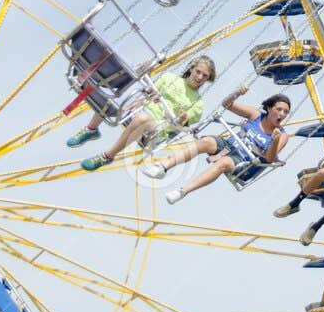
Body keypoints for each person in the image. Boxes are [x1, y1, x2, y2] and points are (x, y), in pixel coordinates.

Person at [146, 85, 290, 205]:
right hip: (230, 146)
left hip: (246, 164)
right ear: (270, 108)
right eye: (279, 109)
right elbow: (227, 105)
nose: (282, 114)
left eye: (285, 112)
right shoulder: (256, 115)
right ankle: (163, 168)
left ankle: (182, 191)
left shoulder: (282, 135)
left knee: (224, 162)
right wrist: (236, 94)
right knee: (206, 142)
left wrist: (275, 140)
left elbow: (270, 158)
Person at [73, 55, 216, 171]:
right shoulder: (169, 78)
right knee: (116, 95)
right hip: (142, 111)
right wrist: (133, 103)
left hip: (158, 129)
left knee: (142, 118)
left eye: (204, 76)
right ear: (191, 68)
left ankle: (107, 156)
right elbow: (147, 95)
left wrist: (182, 118)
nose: (199, 77)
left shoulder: (198, 104)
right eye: (198, 72)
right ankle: (91, 129)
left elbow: (180, 126)